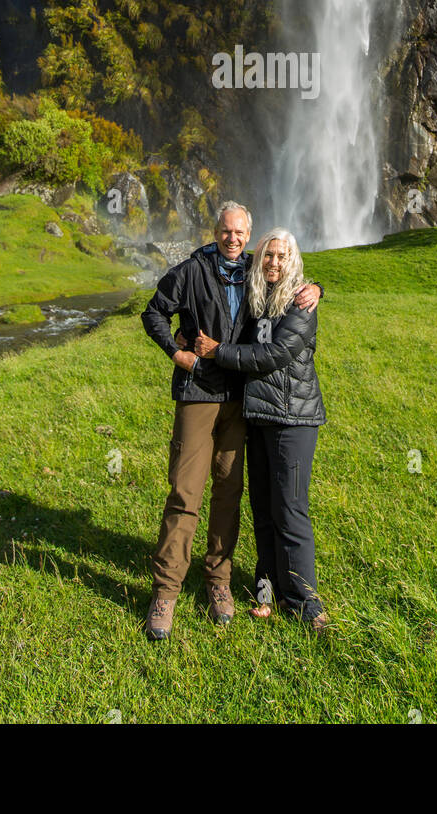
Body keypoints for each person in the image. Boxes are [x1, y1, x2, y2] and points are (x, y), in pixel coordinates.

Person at [140, 202, 322, 640]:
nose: (232, 238)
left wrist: (317, 286)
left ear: (250, 236)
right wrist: (176, 350)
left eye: (240, 232)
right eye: (226, 231)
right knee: (185, 493)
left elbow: (291, 281)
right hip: (199, 393)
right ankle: (166, 593)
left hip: (241, 399)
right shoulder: (192, 269)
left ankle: (219, 582)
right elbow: (153, 312)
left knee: (228, 493)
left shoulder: (259, 272)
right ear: (216, 230)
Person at [191, 228, 328, 632]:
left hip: (293, 419)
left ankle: (307, 602)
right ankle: (269, 591)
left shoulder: (301, 302)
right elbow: (227, 249)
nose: (273, 262)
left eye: (282, 256)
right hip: (260, 418)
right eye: (268, 255)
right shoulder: (258, 297)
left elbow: (273, 354)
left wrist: (218, 352)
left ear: (294, 261)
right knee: (264, 510)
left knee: (290, 510)